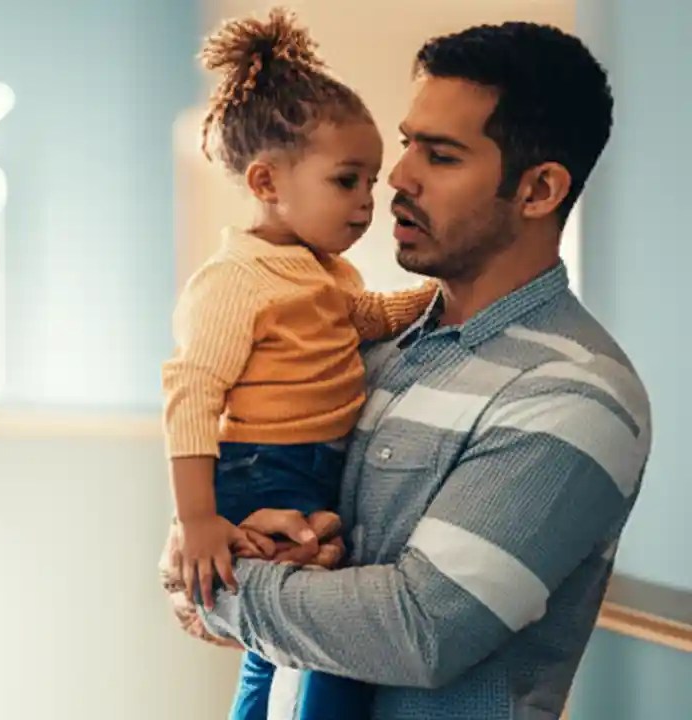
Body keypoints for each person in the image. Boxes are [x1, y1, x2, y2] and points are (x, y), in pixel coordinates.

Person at [161, 20, 649, 720]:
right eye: (408, 143)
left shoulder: (576, 394)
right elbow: (223, 598)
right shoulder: (360, 349)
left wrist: (219, 579)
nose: (397, 176)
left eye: (441, 156)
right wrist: (228, 548)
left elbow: (416, 632)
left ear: (538, 190)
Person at [160, 10, 435, 720]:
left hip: (315, 466)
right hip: (263, 467)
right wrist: (197, 519)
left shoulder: (326, 272)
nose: (367, 203)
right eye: (347, 181)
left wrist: (441, 295)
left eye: (370, 183)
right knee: (324, 641)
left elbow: (366, 318)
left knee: (277, 646)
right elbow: (192, 394)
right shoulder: (236, 279)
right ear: (266, 181)